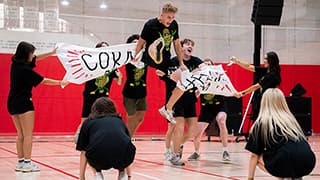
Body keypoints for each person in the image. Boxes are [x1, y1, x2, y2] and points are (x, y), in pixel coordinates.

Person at [7, 41, 68, 172]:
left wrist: (51, 53)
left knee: (20, 135)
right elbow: (44, 80)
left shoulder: (15, 63)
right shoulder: (26, 70)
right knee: (28, 135)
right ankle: (28, 163)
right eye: (31, 53)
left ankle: (21, 162)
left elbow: (36, 58)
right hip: (24, 103)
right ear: (26, 55)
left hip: (12, 102)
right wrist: (61, 82)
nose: (33, 55)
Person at [245, 88, 316, 180]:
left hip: (284, 161)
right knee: (286, 154)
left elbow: (254, 156)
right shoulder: (292, 121)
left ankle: (285, 176)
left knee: (259, 158)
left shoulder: (262, 123)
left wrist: (250, 178)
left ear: (264, 102)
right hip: (308, 161)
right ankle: (294, 176)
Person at [161, 38, 203, 166]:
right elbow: (167, 76)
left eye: (192, 45)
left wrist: (203, 69)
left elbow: (204, 68)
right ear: (181, 47)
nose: (190, 46)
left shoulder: (196, 61)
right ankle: (175, 156)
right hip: (176, 99)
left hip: (190, 99)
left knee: (192, 131)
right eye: (187, 44)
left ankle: (177, 145)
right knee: (178, 127)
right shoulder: (173, 62)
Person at [74, 41, 123, 143]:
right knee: (86, 119)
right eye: (102, 48)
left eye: (106, 48)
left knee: (103, 119)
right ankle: (80, 135)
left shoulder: (112, 65)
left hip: (104, 97)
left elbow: (119, 82)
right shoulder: (91, 62)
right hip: (90, 95)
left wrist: (120, 77)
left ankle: (98, 138)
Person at [76, 97, 136, 180]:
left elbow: (83, 151)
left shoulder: (88, 122)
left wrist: (81, 177)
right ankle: (122, 173)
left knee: (90, 149)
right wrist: (129, 175)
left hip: (99, 160)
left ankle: (98, 174)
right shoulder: (119, 120)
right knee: (122, 148)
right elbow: (126, 144)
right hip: (123, 158)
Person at [187, 59, 230, 162]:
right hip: (206, 108)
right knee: (197, 133)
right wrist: (196, 93)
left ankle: (225, 150)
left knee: (221, 120)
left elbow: (226, 87)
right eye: (204, 65)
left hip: (219, 106)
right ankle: (197, 152)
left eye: (209, 65)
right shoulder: (199, 80)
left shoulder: (218, 78)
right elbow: (193, 93)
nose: (207, 67)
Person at [230, 51, 281, 121]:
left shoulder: (272, 75)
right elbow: (249, 67)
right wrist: (237, 61)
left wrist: (242, 93)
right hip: (261, 99)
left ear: (271, 60)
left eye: (266, 59)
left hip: (269, 100)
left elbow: (256, 86)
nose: (264, 61)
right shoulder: (266, 71)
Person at [123, 34, 148, 136]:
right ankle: (126, 140)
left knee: (140, 117)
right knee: (131, 118)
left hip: (142, 92)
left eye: (138, 43)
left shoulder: (145, 57)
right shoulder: (127, 58)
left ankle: (127, 137)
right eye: (133, 43)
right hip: (129, 93)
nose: (136, 45)